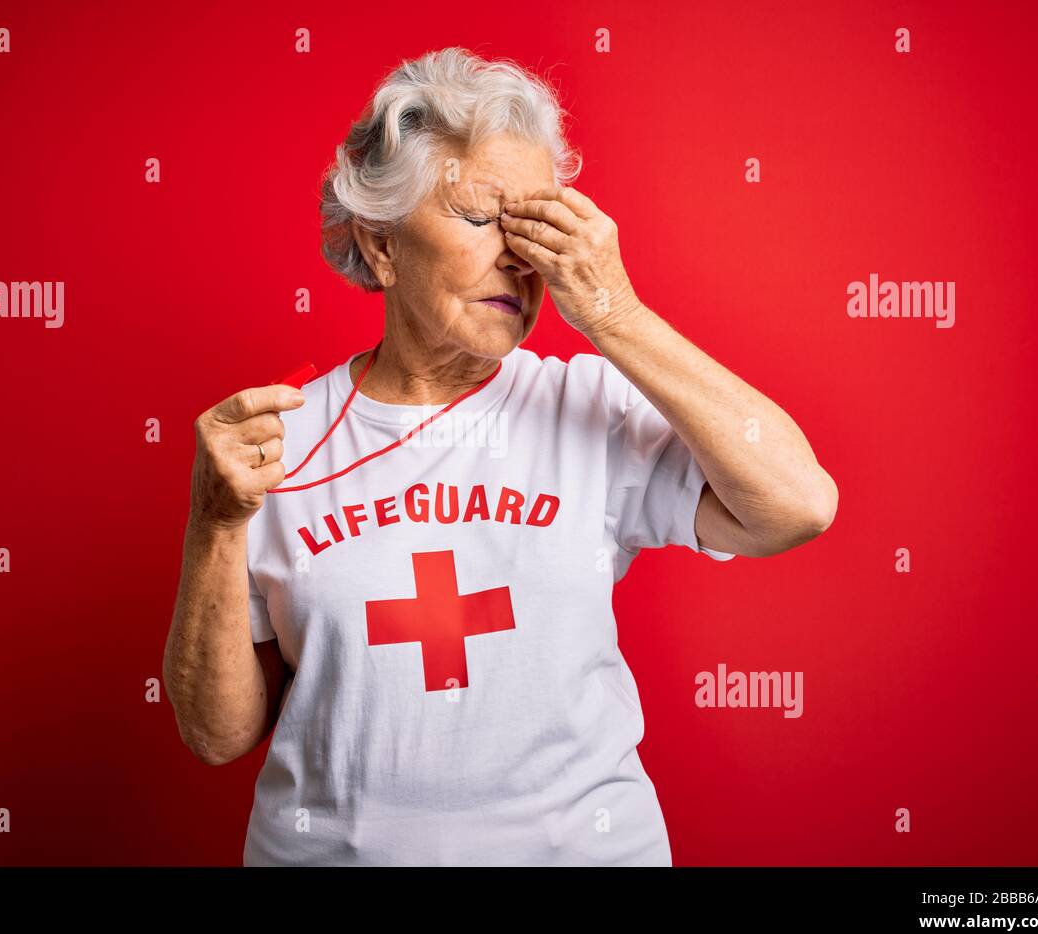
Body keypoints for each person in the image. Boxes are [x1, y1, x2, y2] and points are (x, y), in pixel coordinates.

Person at [163, 47, 837, 865]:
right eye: (483, 220)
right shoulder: (277, 441)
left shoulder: (588, 405)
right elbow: (217, 735)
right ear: (381, 247)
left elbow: (798, 505)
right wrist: (214, 522)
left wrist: (614, 313)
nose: (521, 259)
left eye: (535, 225)